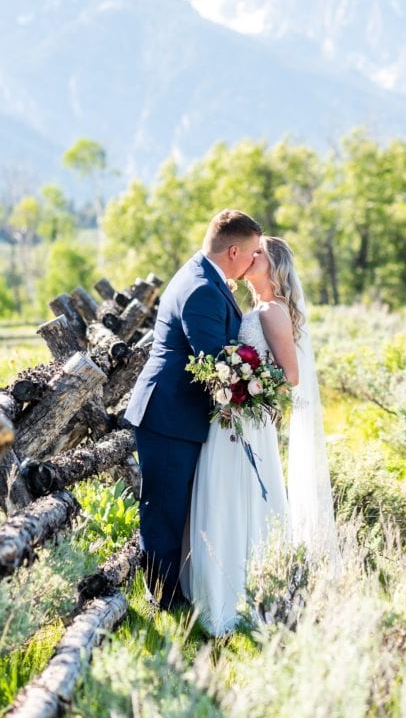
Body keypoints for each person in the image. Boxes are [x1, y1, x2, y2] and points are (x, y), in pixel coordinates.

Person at [186, 235, 337, 635]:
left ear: (273, 267)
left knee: (240, 498)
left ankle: (237, 597)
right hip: (235, 419)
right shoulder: (255, 307)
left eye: (259, 254)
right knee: (226, 497)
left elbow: (290, 375)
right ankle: (219, 592)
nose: (252, 257)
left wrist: (243, 384)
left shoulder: (272, 311)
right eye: (251, 251)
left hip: (247, 422)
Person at [124, 209, 263, 609]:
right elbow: (214, 361)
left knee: (174, 507)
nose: (254, 260)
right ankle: (164, 600)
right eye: (252, 253)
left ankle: (174, 590)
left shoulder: (201, 274)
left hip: (178, 412)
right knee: (164, 509)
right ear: (234, 250)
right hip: (170, 413)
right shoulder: (202, 287)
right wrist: (258, 386)